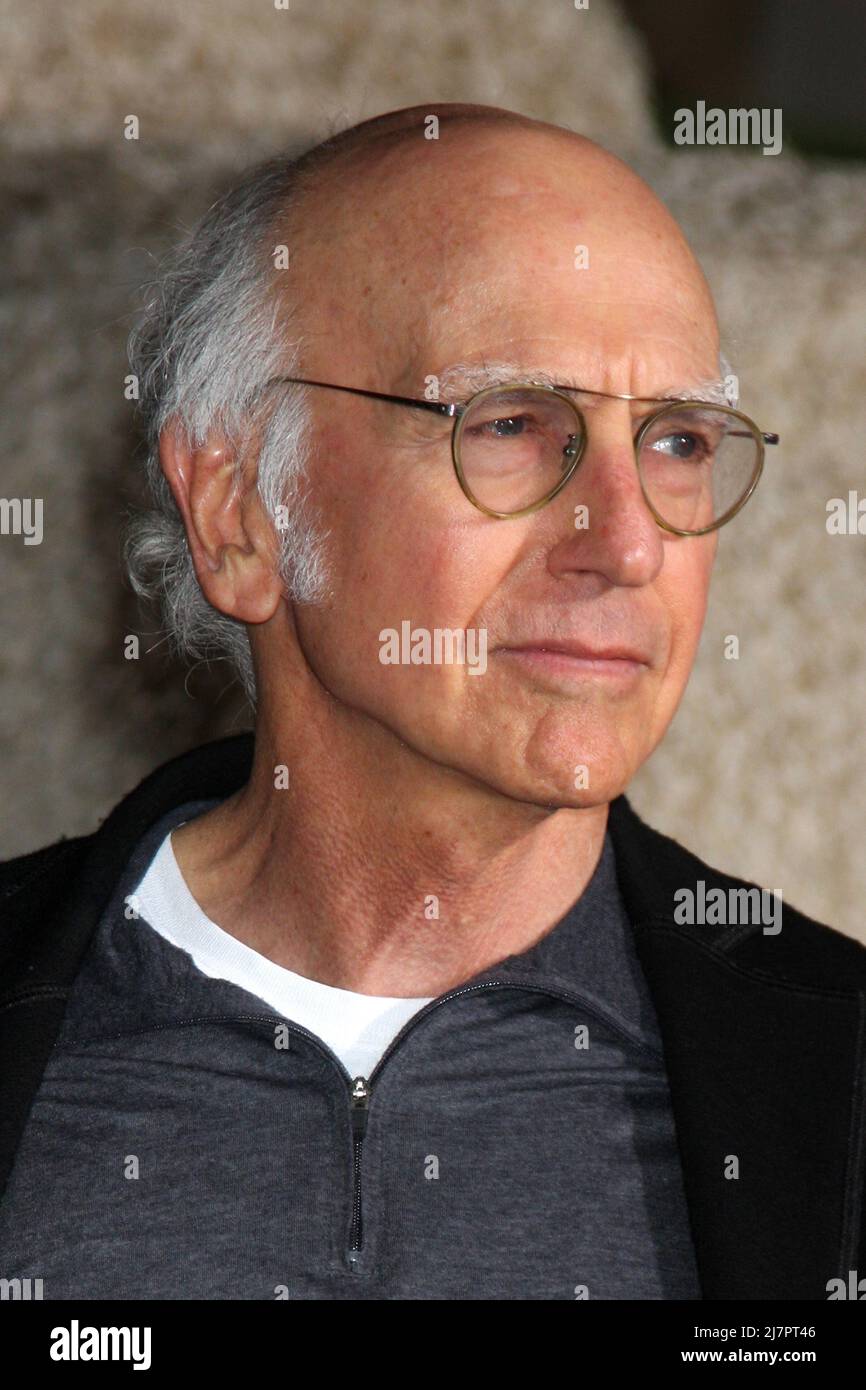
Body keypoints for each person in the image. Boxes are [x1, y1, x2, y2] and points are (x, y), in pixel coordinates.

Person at [1, 103, 863, 1302]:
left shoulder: (834, 1082)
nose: (623, 544)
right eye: (511, 426)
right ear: (239, 510)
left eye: (673, 441)